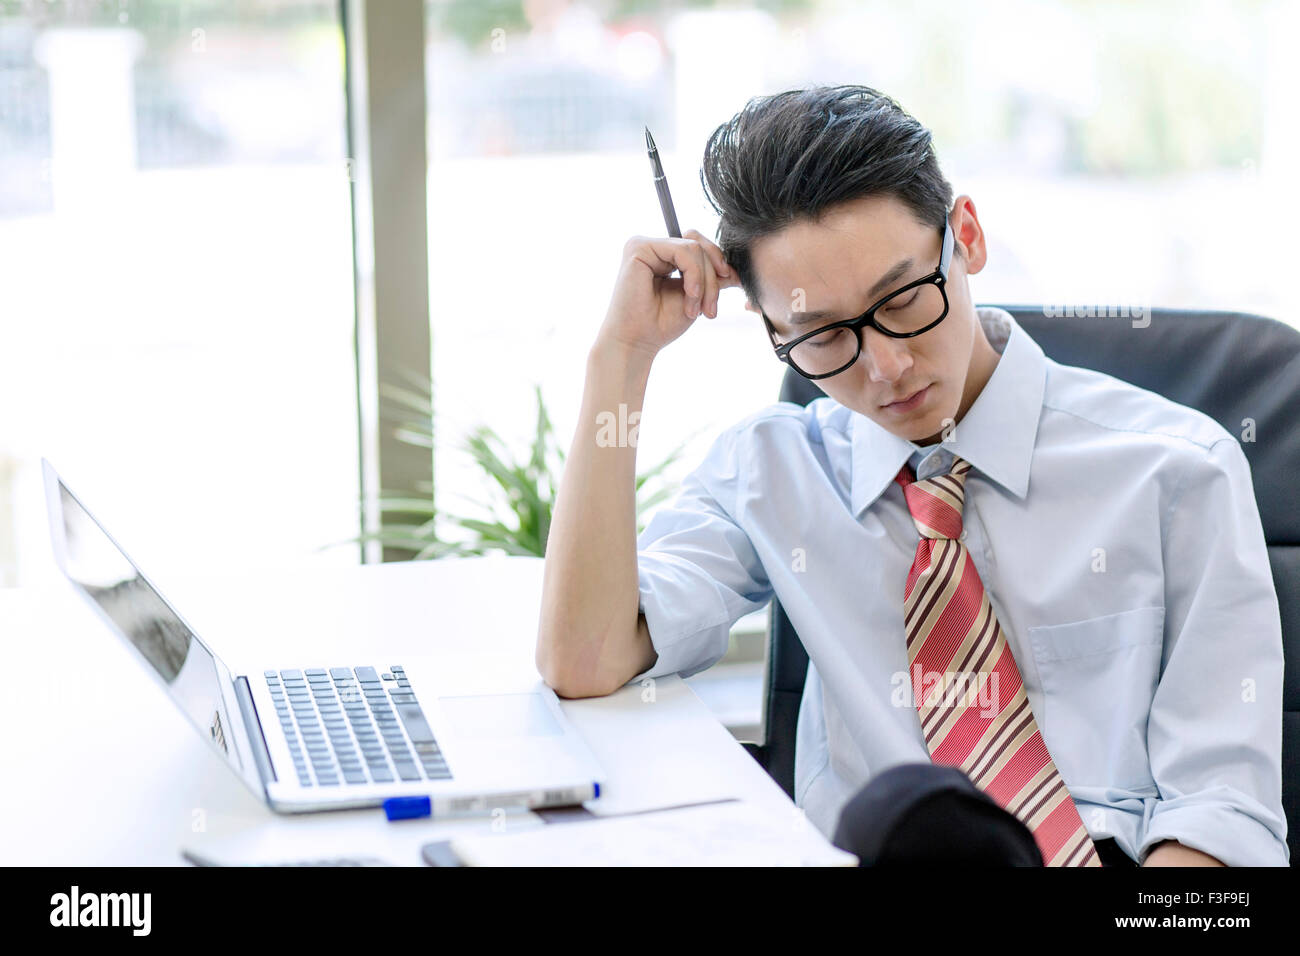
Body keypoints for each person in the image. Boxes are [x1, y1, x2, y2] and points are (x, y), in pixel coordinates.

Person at [535, 84, 1288, 866]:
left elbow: (1221, 814)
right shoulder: (773, 472)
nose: (886, 367)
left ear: (965, 237)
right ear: (769, 328)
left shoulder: (1177, 471)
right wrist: (620, 357)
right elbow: (584, 659)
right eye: (823, 335)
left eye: (902, 299)